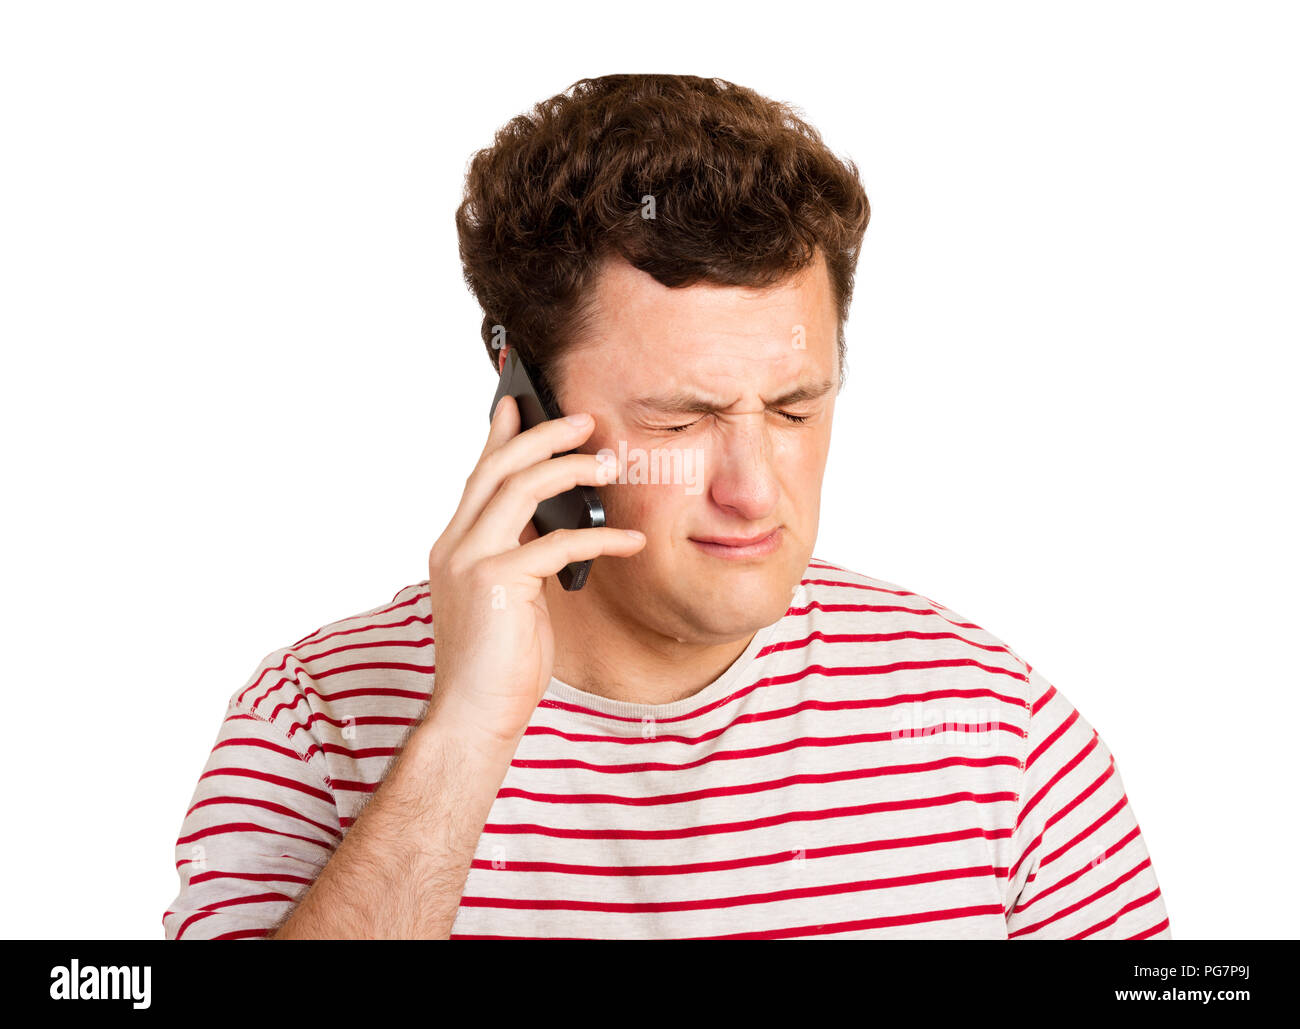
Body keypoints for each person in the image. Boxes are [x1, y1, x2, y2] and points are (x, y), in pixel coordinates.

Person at [163, 74, 1170, 940]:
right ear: (524, 403)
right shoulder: (316, 721)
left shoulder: (996, 727)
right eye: (681, 421)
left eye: (790, 409)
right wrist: (466, 729)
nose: (753, 490)